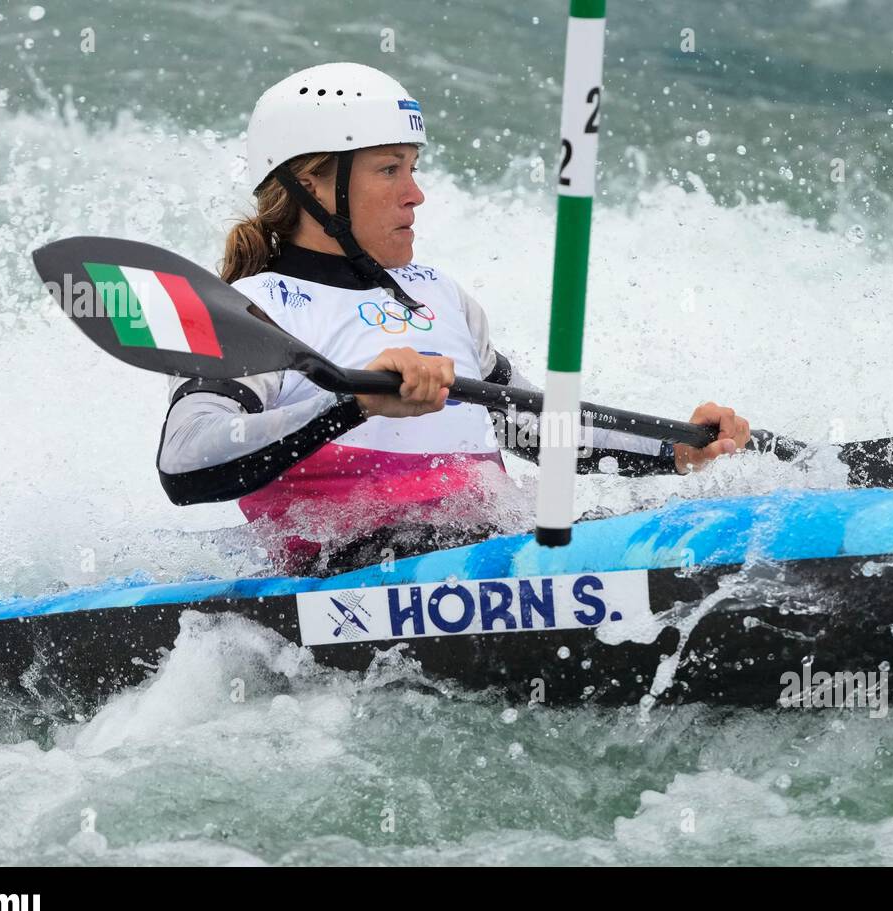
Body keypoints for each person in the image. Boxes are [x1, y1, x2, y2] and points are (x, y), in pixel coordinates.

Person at [156, 62, 751, 573]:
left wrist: (674, 450)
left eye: (413, 168)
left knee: (695, 527)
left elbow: (528, 427)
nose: (415, 194)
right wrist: (351, 402)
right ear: (311, 182)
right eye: (390, 170)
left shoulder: (438, 295)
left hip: (491, 544)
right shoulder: (251, 310)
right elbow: (184, 459)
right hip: (358, 569)